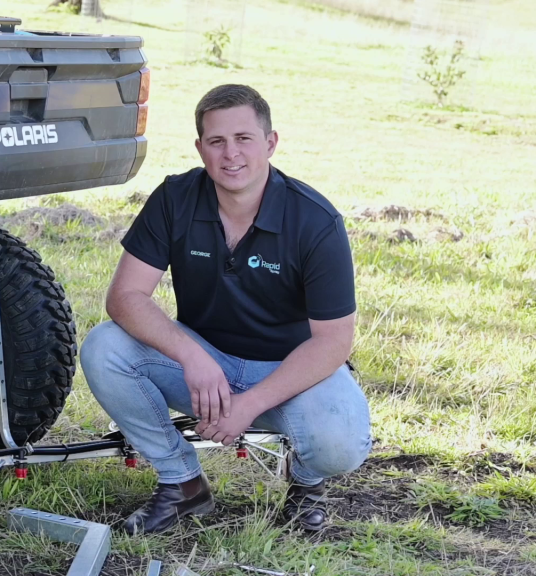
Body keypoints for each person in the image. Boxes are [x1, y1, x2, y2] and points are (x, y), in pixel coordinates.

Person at [79, 84, 372, 535]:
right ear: (200, 148)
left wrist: (249, 404)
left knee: (343, 442)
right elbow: (125, 297)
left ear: (270, 143)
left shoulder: (315, 220)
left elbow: (334, 341)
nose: (230, 154)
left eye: (244, 139)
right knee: (104, 347)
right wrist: (193, 358)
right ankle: (183, 483)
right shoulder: (176, 198)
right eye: (216, 142)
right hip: (204, 367)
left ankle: (306, 484)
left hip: (287, 374)